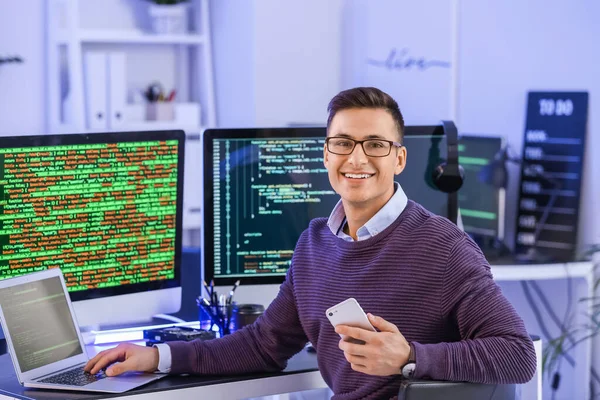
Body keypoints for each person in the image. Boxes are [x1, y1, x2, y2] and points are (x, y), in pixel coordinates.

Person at [85, 87, 536, 399]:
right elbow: (263, 347)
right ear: (326, 155)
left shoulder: (443, 247)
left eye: (376, 144)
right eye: (342, 143)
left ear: (399, 158)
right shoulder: (314, 245)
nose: (356, 158)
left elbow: (517, 355)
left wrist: (410, 357)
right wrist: (158, 356)